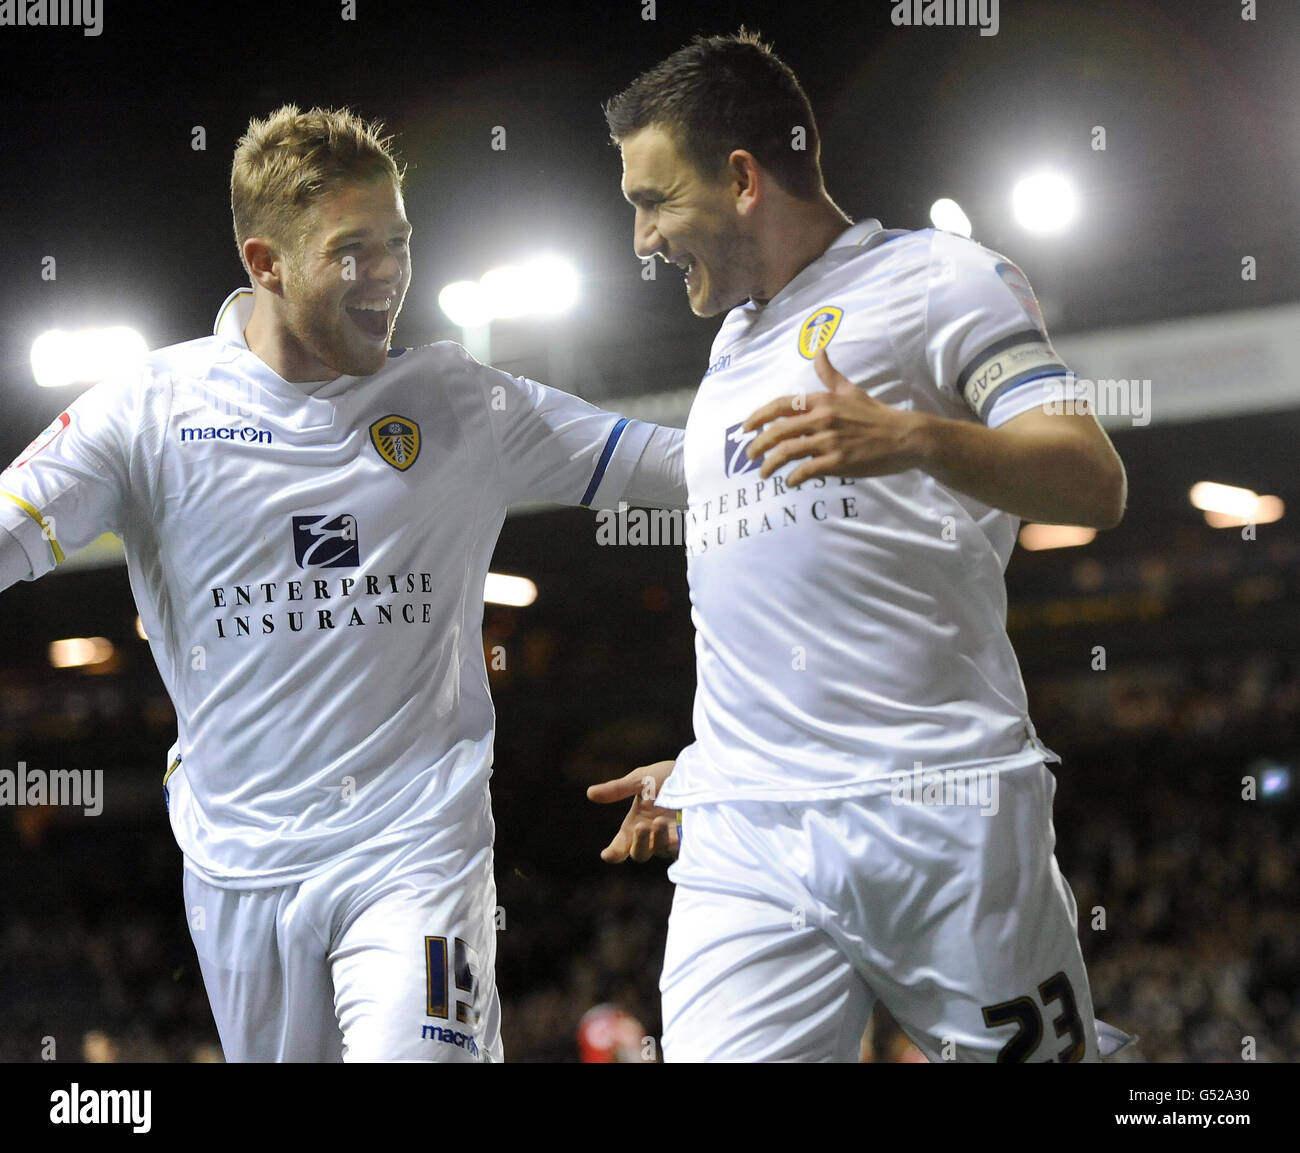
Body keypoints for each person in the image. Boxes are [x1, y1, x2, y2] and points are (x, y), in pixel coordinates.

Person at [0, 104, 685, 1062]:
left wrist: (872, 437)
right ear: (265, 262)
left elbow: (684, 465)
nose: (388, 276)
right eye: (351, 251)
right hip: (240, 870)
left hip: (417, 846)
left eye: (398, 244)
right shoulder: (148, 412)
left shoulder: (459, 403)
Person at [588, 30, 1134, 1062]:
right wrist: (711, 759)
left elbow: (1090, 476)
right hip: (748, 827)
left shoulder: (939, 280)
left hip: (938, 809)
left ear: (742, 178)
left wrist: (913, 437)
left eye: (653, 200)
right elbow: (783, 588)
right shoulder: (733, 345)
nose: (641, 238)